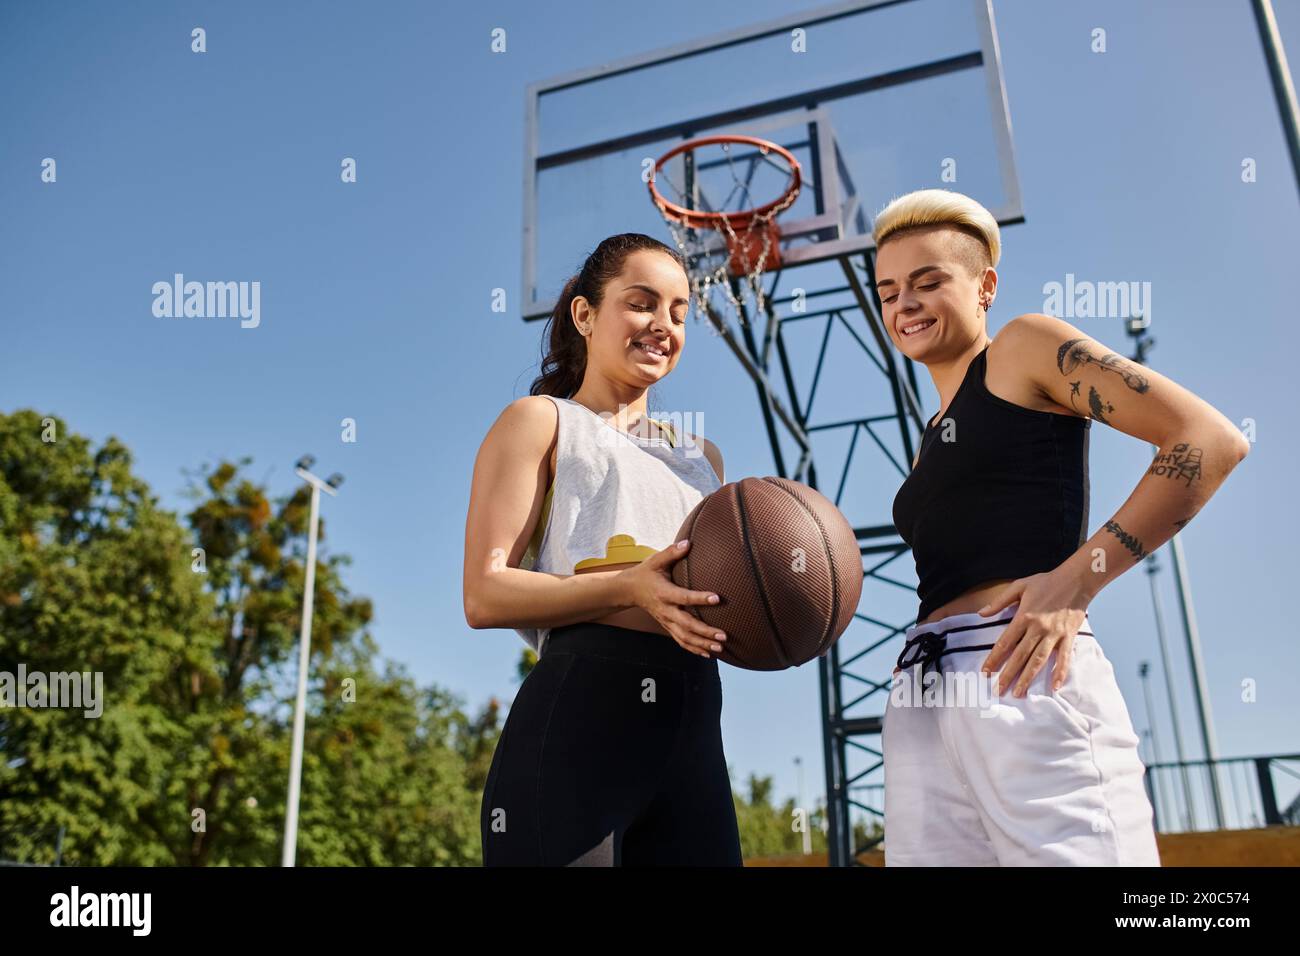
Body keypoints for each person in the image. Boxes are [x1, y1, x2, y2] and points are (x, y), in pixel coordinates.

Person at [878, 189, 1249, 866]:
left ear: (985, 285)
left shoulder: (1024, 348)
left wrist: (1077, 582)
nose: (905, 304)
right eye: (889, 289)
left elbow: (1209, 440)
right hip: (925, 692)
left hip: (1023, 670)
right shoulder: (930, 437)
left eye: (928, 282)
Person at [463, 233, 742, 866]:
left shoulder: (703, 459)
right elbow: (483, 593)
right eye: (641, 303)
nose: (662, 325)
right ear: (585, 315)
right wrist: (628, 586)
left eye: (678, 311)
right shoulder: (541, 421)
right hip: (582, 713)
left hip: (696, 722)